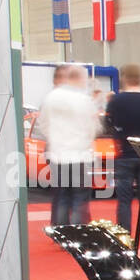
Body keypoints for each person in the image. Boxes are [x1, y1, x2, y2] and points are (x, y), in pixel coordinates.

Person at [34, 64, 100, 226]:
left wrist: (54, 138)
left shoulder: (51, 97)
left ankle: (60, 232)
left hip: (58, 154)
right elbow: (93, 127)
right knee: (79, 198)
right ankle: (77, 232)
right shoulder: (84, 100)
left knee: (62, 196)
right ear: (79, 79)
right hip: (80, 155)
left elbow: (42, 124)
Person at [106, 64, 140, 234]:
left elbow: (110, 123)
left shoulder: (116, 101)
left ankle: (124, 234)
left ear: (124, 78)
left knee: (124, 200)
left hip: (124, 155)